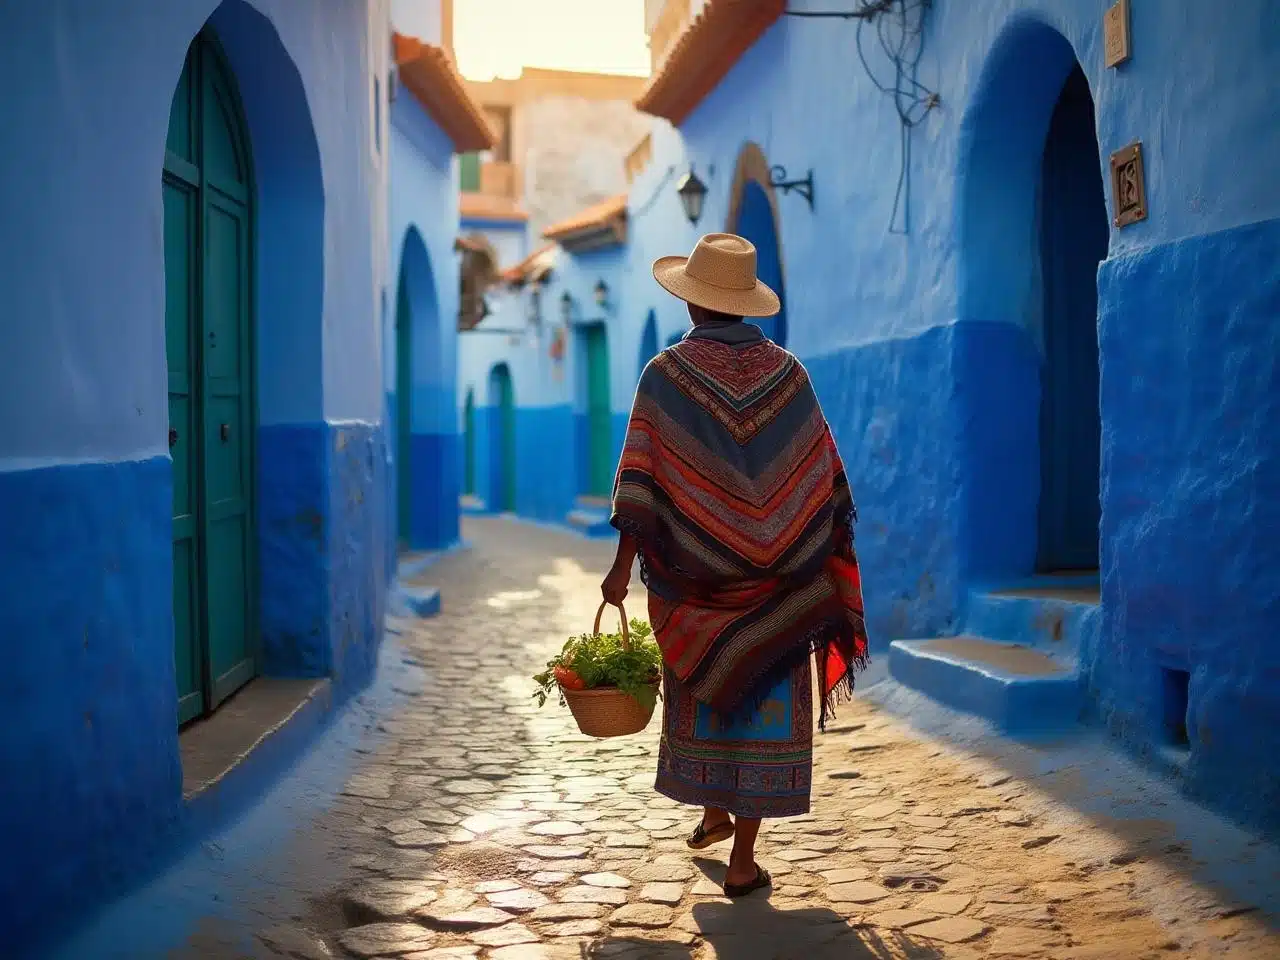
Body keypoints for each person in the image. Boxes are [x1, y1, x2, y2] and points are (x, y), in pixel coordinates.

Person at [601, 233, 870, 898]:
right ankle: (740, 852)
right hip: (780, 591)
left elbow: (641, 485)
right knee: (761, 708)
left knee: (706, 691)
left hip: (695, 589)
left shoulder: (665, 377)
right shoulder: (791, 376)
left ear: (694, 305)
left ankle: (711, 803)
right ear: (744, 304)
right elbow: (824, 478)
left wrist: (619, 568)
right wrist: (784, 534)